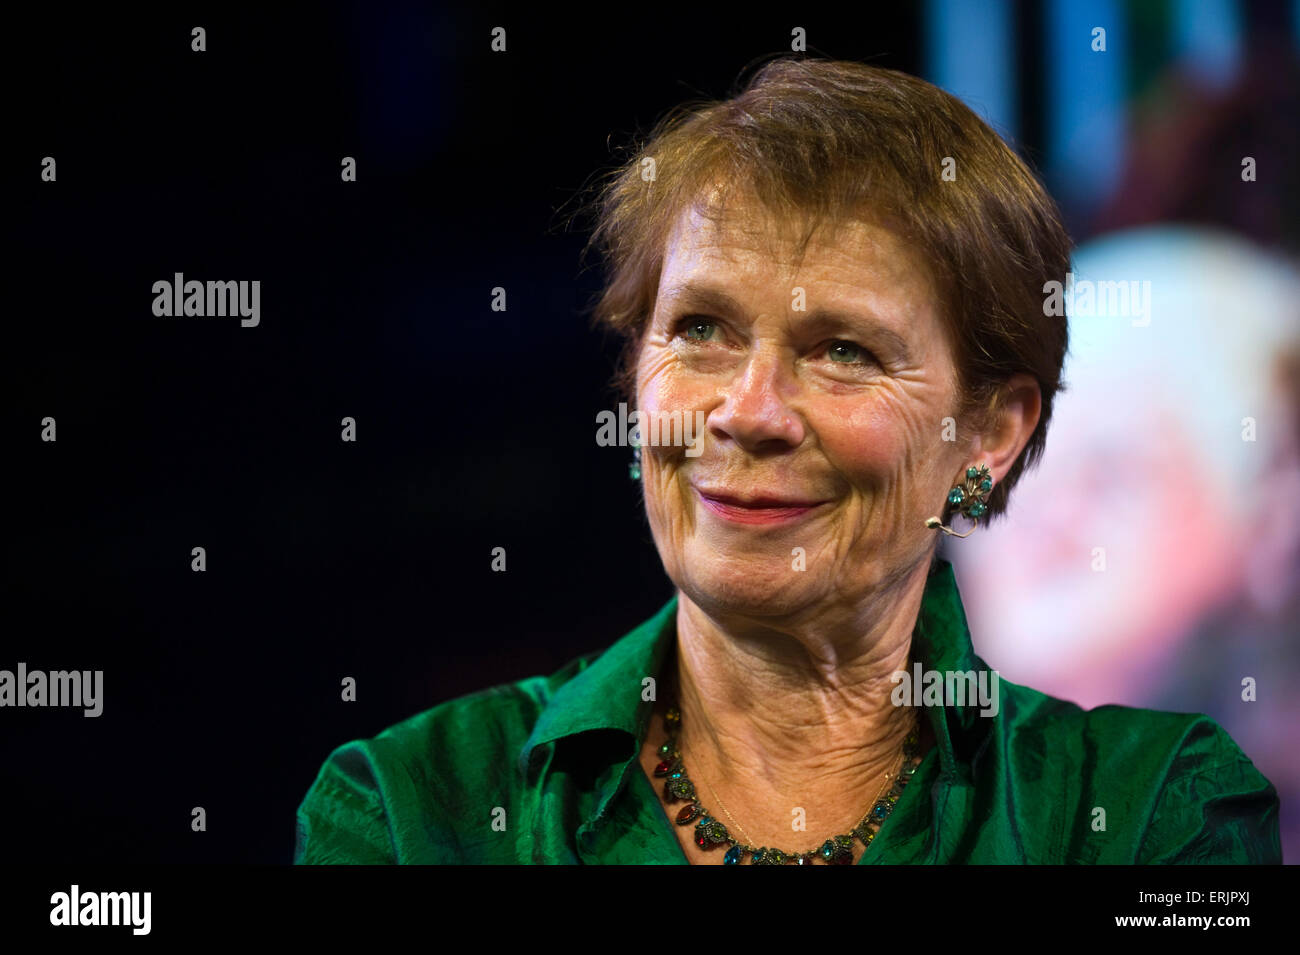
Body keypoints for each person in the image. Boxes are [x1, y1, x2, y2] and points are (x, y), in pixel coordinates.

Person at [293, 57, 1280, 864]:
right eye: (701, 331)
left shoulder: (1152, 812)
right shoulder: (414, 812)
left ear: (990, 433)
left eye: (844, 350)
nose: (748, 414)